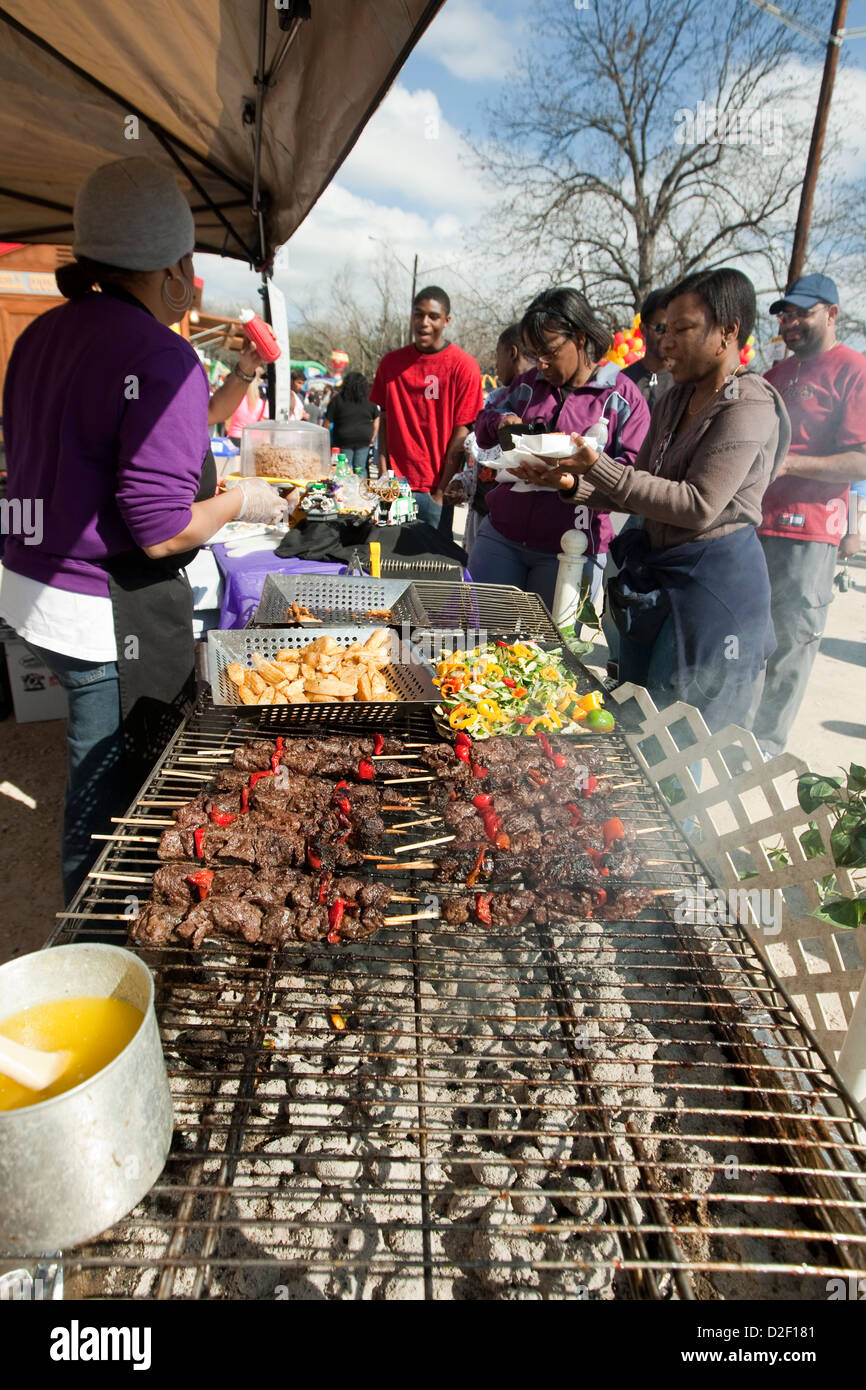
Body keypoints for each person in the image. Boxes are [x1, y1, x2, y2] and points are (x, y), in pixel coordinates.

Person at [0, 157, 285, 901]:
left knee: (94, 753)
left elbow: (161, 434)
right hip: (97, 606)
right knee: (106, 788)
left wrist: (242, 377)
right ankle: (92, 934)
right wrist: (240, 504)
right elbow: (160, 531)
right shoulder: (159, 353)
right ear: (172, 265)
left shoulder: (42, 336)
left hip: (26, 585)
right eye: (187, 267)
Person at [515, 269, 789, 733]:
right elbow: (644, 485)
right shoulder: (674, 397)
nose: (666, 343)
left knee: (680, 738)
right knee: (636, 717)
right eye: (664, 330)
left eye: (683, 329)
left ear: (727, 331)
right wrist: (567, 483)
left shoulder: (749, 405)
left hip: (712, 588)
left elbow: (698, 504)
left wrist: (594, 463)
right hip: (660, 570)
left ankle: (677, 811)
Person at [470, 287, 650, 611]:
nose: (541, 363)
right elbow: (482, 423)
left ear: (580, 338)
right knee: (480, 641)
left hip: (573, 548)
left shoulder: (622, 399)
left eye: (549, 352)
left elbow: (634, 478)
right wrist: (500, 423)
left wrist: (573, 483)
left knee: (550, 653)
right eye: (534, 353)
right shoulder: (526, 385)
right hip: (501, 536)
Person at [751, 274, 866, 756]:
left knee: (792, 642)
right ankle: (732, 735)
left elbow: (860, 458)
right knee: (750, 639)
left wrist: (791, 463)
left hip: (811, 530)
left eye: (801, 313)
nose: (789, 322)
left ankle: (764, 747)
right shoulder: (777, 374)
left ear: (832, 314)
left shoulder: (853, 370)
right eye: (784, 314)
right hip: (756, 524)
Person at [370, 286, 483, 534]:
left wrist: (440, 493)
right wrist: (383, 475)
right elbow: (385, 422)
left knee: (429, 568)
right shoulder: (390, 364)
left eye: (433, 316)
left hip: (435, 491)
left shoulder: (463, 366)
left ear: (446, 320)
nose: (424, 322)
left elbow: (462, 432)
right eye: (418, 315)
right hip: (395, 486)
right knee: (386, 565)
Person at [445, 324, 535, 554]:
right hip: (482, 520)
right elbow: (486, 463)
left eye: (497, 354)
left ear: (512, 352)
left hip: (517, 531)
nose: (495, 365)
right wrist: (463, 481)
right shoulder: (495, 400)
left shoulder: (536, 405)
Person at [622, 288, 675, 413]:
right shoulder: (622, 381)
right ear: (643, 329)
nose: (669, 336)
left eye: (675, 329)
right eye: (661, 329)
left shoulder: (685, 384)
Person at [325, 371, 380, 474]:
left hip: (344, 439)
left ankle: (346, 488)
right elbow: (377, 417)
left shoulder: (337, 400)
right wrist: (373, 435)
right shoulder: (369, 401)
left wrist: (325, 440)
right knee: (361, 468)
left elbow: (327, 422)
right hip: (364, 438)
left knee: (345, 468)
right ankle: (361, 488)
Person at [225, 367, 265, 446]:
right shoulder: (261, 403)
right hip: (251, 440)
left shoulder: (236, 398)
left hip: (234, 437)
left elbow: (227, 420)